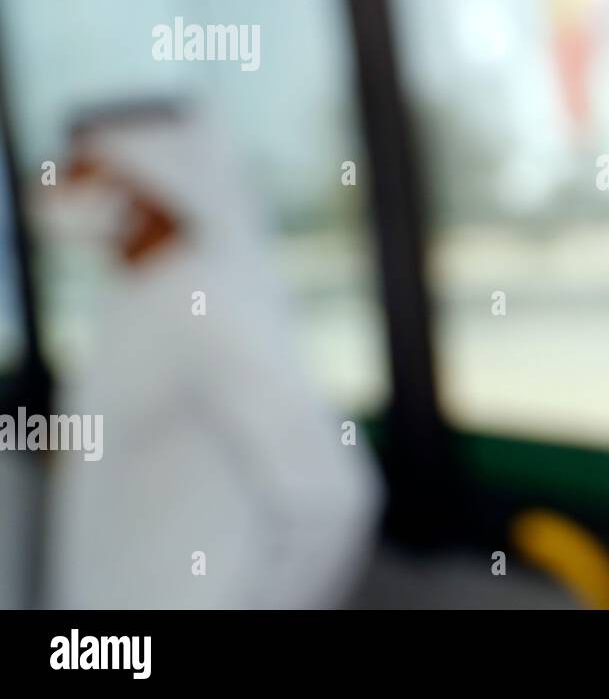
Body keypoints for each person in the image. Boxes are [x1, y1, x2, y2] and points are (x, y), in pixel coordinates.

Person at [41, 101, 381, 608]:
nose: (57, 189)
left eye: (81, 171)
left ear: (150, 178)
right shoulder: (129, 298)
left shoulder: (207, 307)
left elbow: (331, 502)